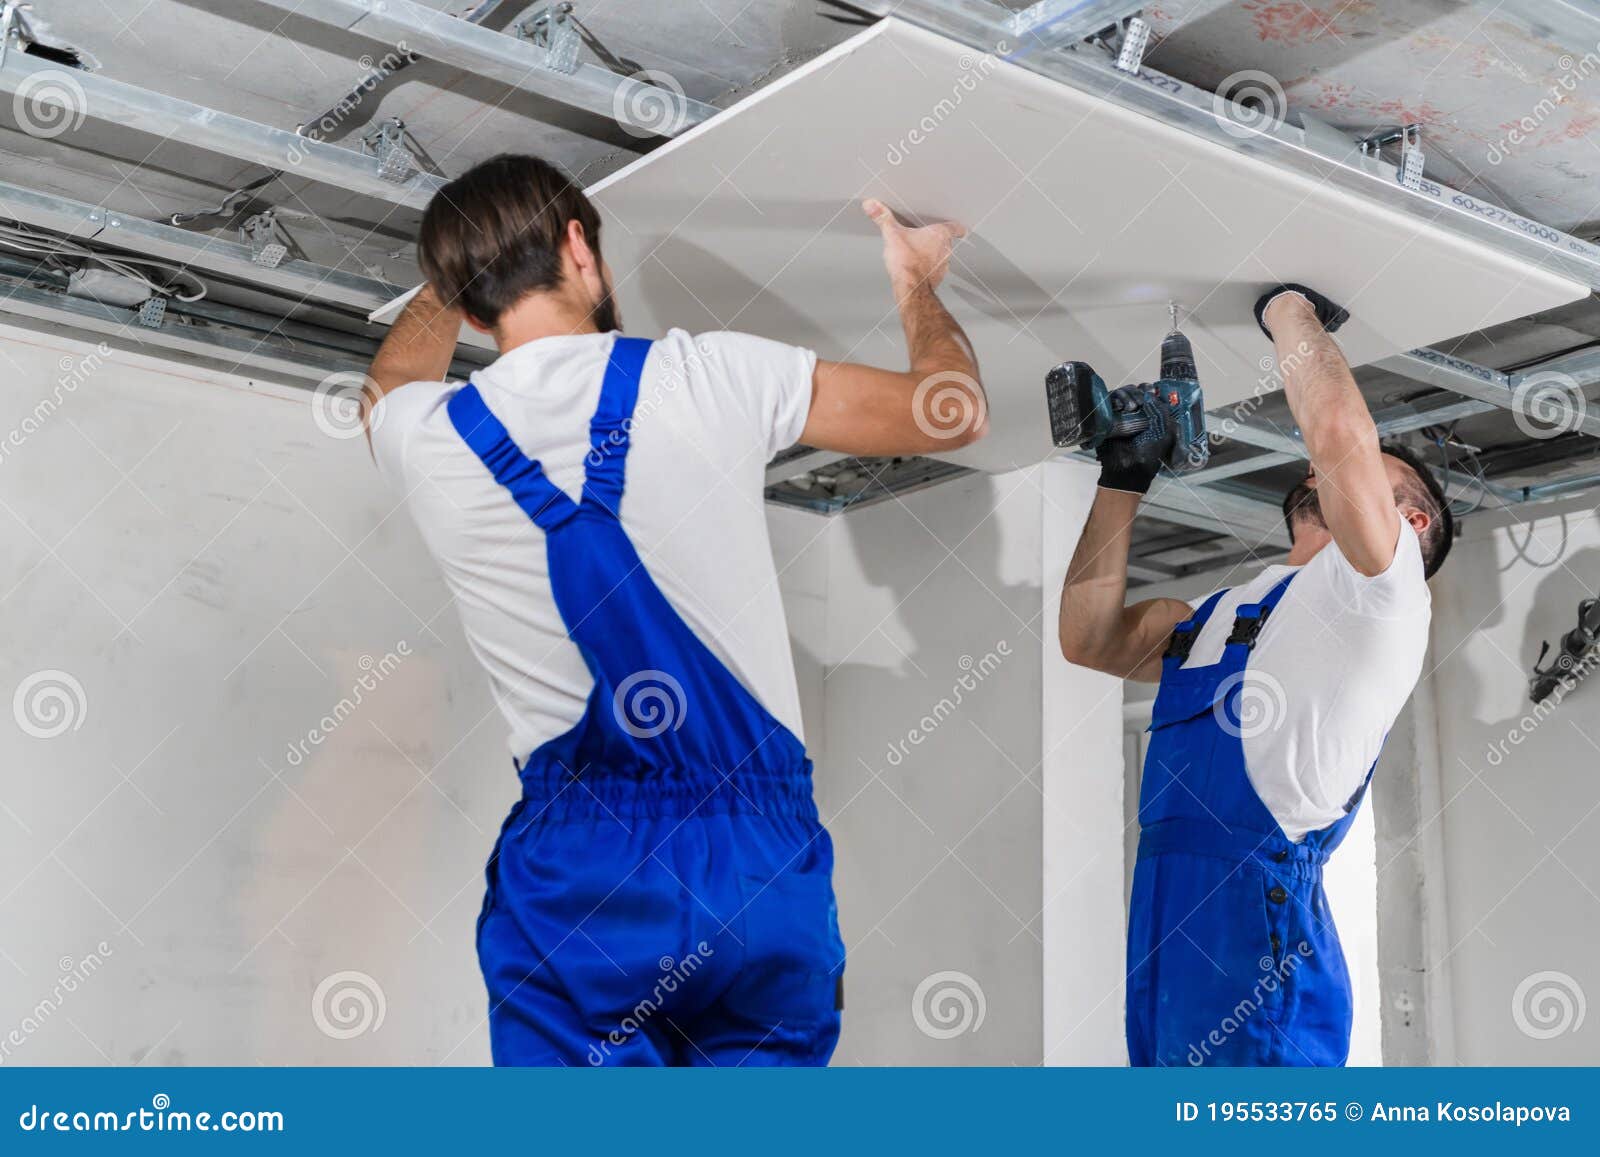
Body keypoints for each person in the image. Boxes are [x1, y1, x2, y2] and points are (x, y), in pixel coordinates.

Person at [360, 154, 985, 1066]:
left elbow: (388, 381)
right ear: (580, 246)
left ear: (462, 303)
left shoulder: (424, 436)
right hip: (752, 861)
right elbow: (953, 411)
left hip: (578, 875)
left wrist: (454, 275)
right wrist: (916, 279)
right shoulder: (707, 374)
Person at [1058, 284, 1453, 1067]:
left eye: (1376, 474)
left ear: (1410, 524)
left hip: (1258, 937)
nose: (1328, 466)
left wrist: (1289, 309)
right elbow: (1088, 638)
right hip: (1167, 933)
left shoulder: (1383, 593)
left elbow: (1339, 431)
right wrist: (1122, 479)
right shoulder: (1214, 612)